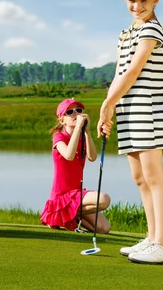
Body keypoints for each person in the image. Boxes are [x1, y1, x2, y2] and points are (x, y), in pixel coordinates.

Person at [97, 0, 163, 264]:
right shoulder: (126, 33)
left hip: (148, 109)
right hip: (129, 109)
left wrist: (107, 105)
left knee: (154, 177)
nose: (137, 6)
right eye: (131, 0)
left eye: (143, 0)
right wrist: (110, 106)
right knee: (139, 177)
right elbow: (118, 73)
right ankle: (152, 237)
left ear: (155, 1)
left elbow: (134, 71)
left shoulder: (152, 30)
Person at [41, 98, 111, 234]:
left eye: (78, 111)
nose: (76, 114)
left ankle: (71, 216)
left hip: (77, 194)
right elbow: (69, 155)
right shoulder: (59, 137)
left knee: (104, 228)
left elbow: (92, 157)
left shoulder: (82, 138)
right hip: (62, 195)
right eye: (70, 112)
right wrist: (78, 127)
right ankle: (65, 213)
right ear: (62, 120)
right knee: (104, 199)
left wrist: (87, 132)